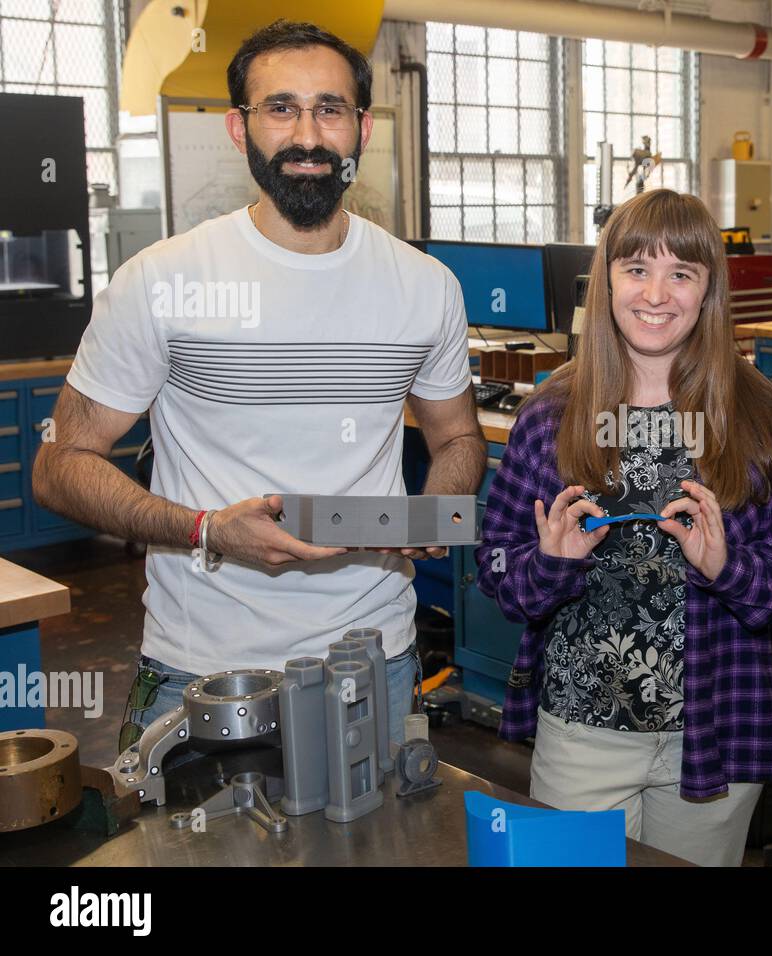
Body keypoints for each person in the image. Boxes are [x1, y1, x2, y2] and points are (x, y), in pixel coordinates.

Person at [32, 20, 485, 755]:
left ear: (361, 129)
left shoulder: (425, 286)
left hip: (375, 659)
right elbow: (59, 465)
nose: (308, 134)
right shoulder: (162, 281)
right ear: (240, 130)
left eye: (330, 109)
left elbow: (457, 435)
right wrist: (206, 530)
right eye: (281, 108)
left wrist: (441, 507)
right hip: (202, 667)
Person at [475, 188, 772, 866]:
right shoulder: (551, 415)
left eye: (681, 274)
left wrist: (729, 568)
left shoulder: (763, 420)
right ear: (606, 281)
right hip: (581, 729)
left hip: (717, 731)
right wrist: (548, 563)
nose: (656, 294)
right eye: (637, 269)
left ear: (707, 290)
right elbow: (496, 570)